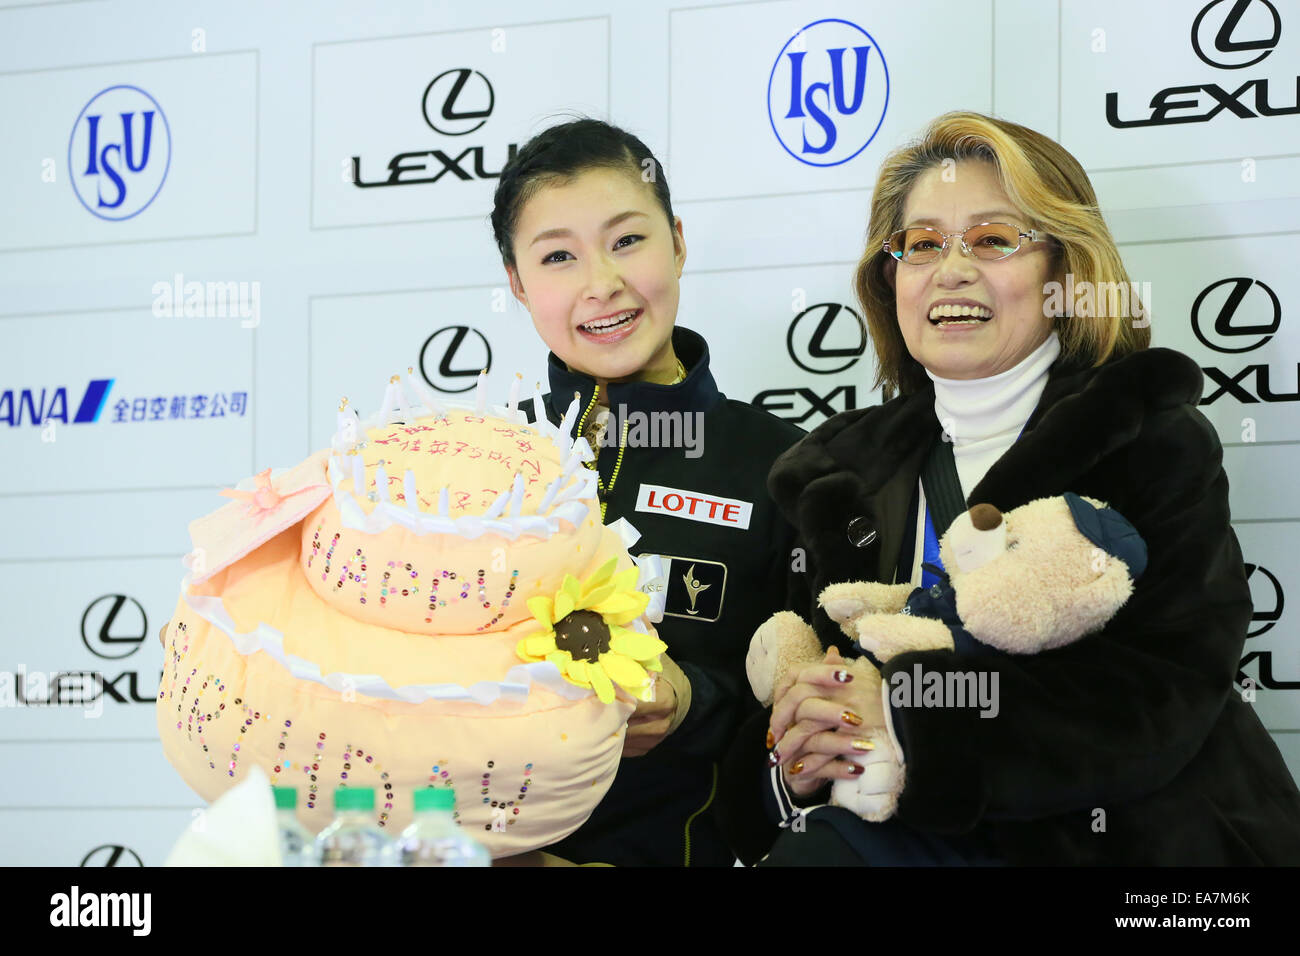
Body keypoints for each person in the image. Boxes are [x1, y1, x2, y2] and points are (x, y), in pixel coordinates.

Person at [718, 110, 1300, 865]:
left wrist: (906, 720)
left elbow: (1160, 696)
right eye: (922, 244)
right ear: (890, 275)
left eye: (994, 240)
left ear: (1065, 270)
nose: (952, 269)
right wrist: (794, 760)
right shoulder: (835, 472)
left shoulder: (1150, 436)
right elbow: (794, 710)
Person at [490, 118, 804, 865]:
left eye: (628, 240)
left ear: (679, 242)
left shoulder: (786, 465)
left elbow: (812, 705)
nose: (602, 283)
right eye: (559, 256)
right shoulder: (483, 467)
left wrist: (693, 702)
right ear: (517, 284)